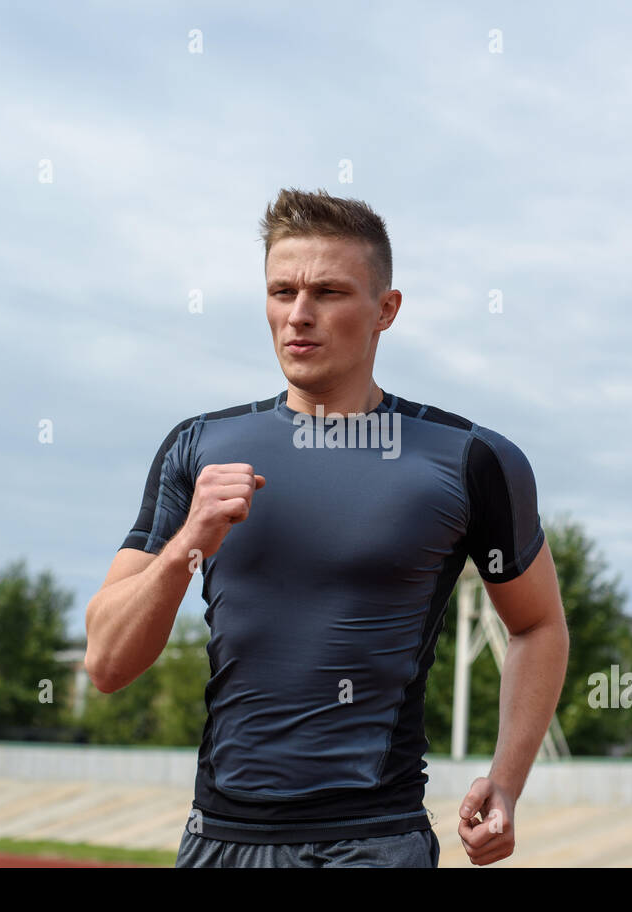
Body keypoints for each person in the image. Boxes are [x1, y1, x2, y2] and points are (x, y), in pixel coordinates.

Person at [84, 187, 569, 867]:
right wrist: (187, 543)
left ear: (385, 310)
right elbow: (106, 663)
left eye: (329, 292)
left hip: (374, 838)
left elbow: (537, 623)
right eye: (282, 291)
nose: (299, 315)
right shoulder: (198, 448)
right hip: (221, 839)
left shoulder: (468, 458)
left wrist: (508, 780)